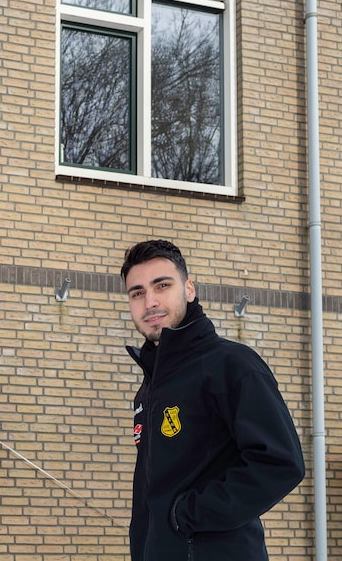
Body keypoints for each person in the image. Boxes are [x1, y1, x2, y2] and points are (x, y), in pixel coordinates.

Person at [120, 240, 305, 560]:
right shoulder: (152, 386)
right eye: (137, 293)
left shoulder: (232, 366)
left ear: (189, 289)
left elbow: (280, 463)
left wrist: (189, 516)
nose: (150, 301)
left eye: (162, 285)